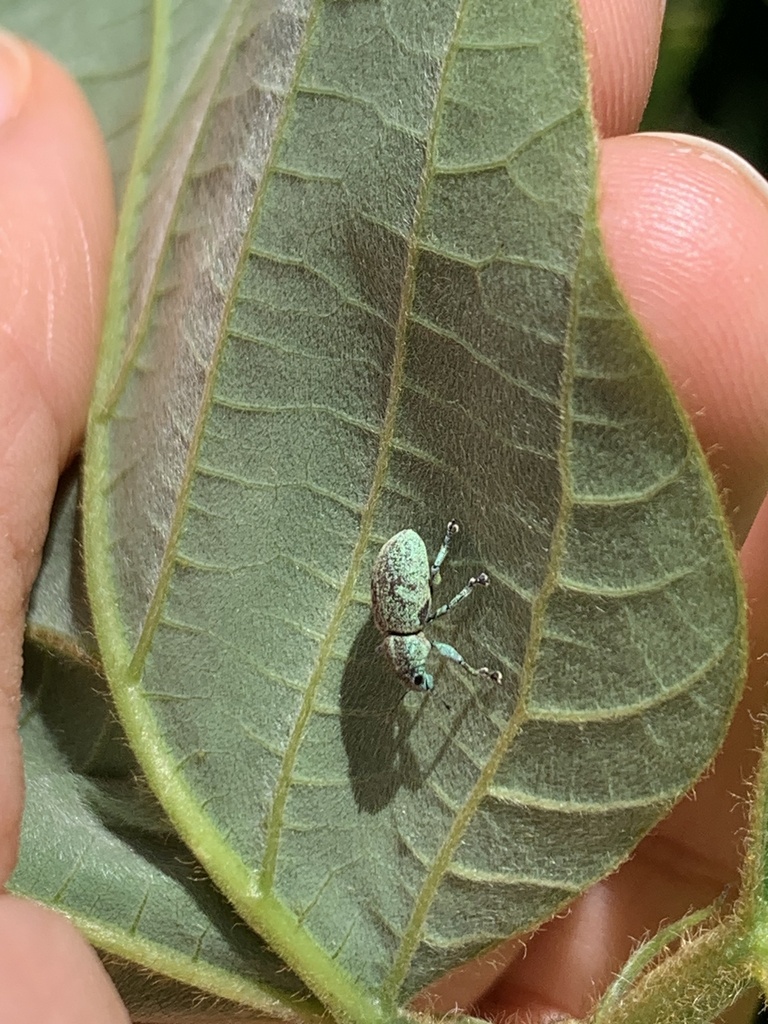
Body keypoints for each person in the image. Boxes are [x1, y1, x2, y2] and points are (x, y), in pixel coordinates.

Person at [1, 2, 766, 1020]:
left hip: (407, 568)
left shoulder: (404, 637)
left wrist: (447, 597)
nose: (417, 679)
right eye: (419, 669)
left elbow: (416, 620)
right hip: (406, 570)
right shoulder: (403, 641)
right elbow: (415, 626)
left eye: (412, 667)